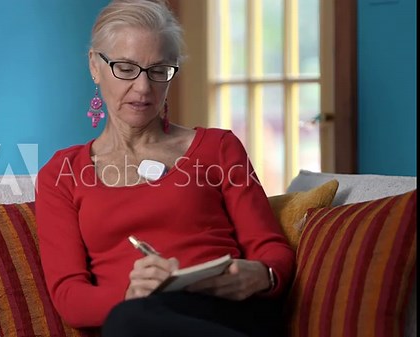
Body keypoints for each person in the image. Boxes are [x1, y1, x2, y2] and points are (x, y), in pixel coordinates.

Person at [36, 0, 295, 336]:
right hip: (135, 321)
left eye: (159, 71)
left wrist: (263, 275)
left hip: (227, 312)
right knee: (130, 320)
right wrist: (129, 295)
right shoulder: (61, 174)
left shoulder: (219, 147)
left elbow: (271, 247)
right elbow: (69, 296)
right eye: (126, 69)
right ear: (95, 66)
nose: (144, 88)